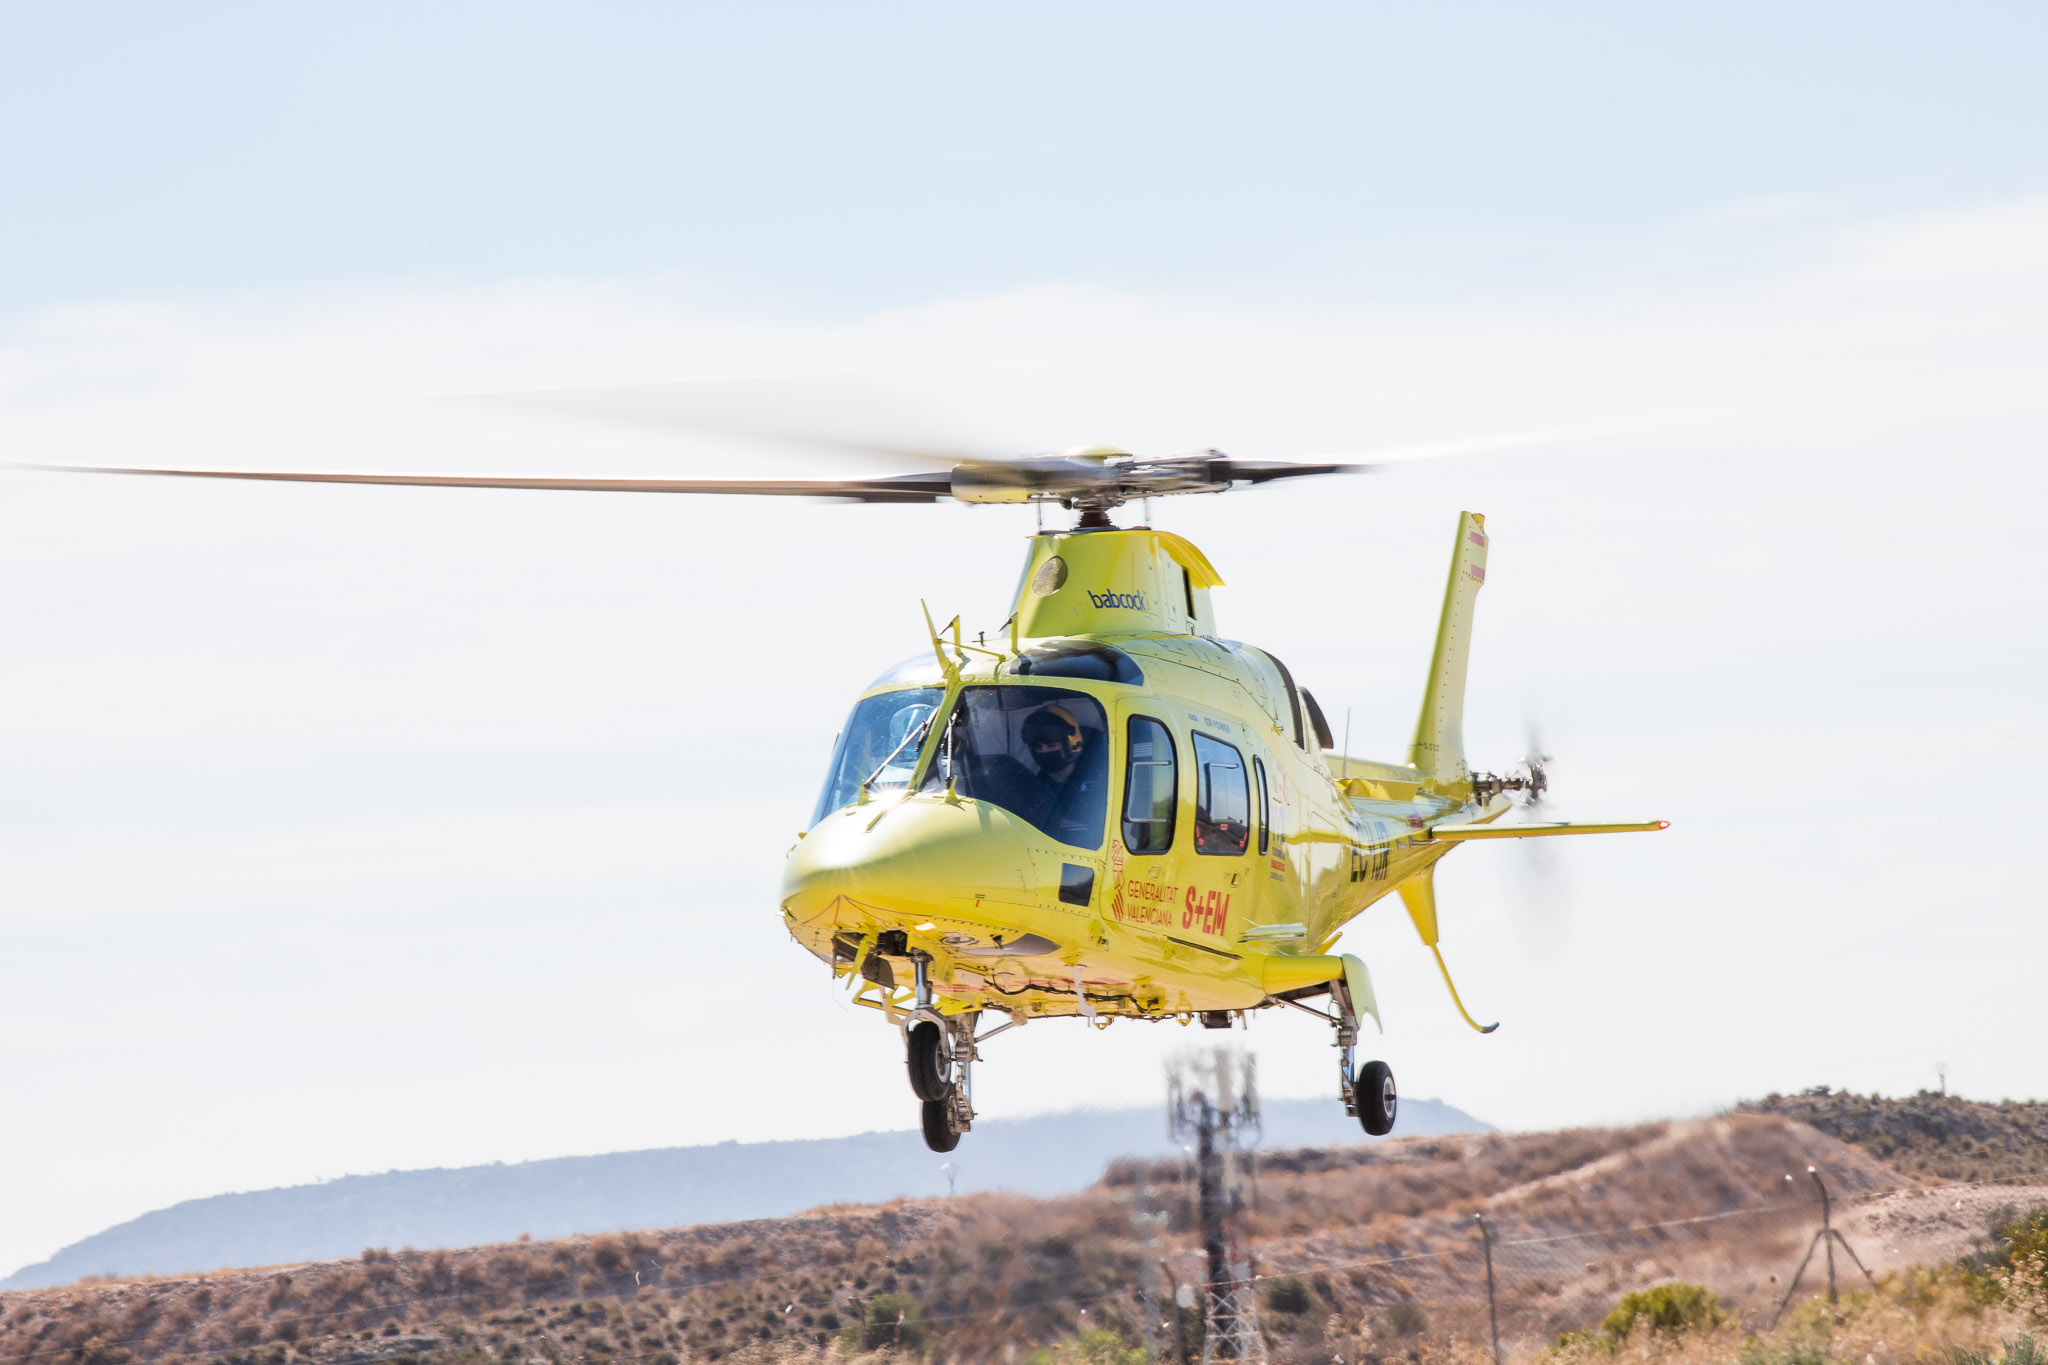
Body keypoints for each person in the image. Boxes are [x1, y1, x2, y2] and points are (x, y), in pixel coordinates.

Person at [1021, 703, 1107, 846]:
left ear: (1071, 744)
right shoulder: (1034, 788)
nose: (1043, 752)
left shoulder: (1100, 778)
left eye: (1052, 746)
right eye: (1038, 747)